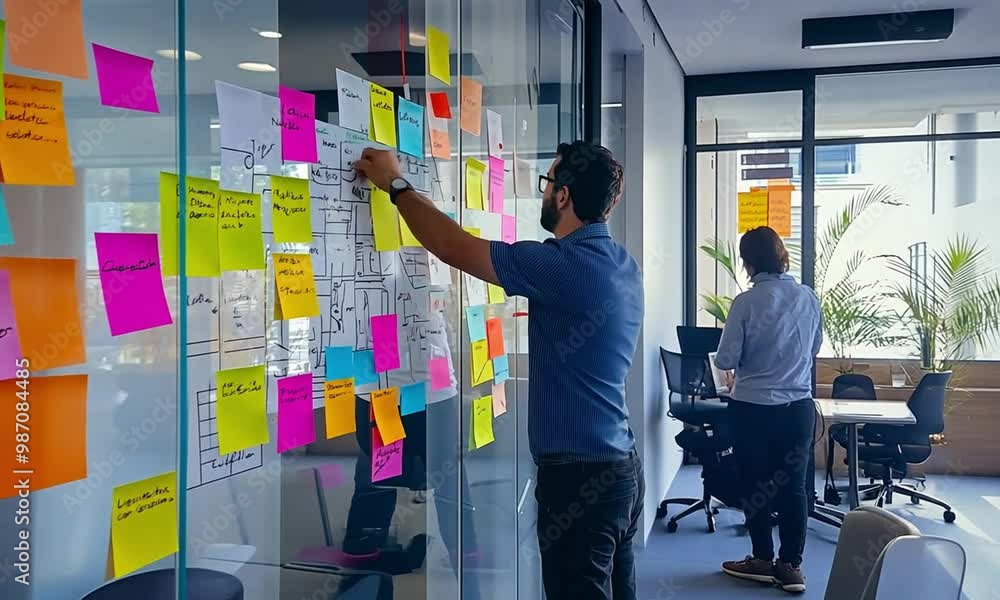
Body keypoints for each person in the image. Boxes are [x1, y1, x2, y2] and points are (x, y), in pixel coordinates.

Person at [355, 140, 645, 600]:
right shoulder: (622, 264)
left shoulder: (562, 265)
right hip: (621, 468)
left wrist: (395, 182)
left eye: (547, 183)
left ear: (564, 195)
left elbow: (452, 247)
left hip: (581, 480)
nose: (544, 194)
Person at [714, 226, 822, 594]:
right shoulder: (808, 297)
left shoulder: (746, 303)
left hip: (753, 408)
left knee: (755, 484)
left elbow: (727, 357)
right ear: (781, 256)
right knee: (793, 489)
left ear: (747, 262)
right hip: (797, 409)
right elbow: (814, 349)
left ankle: (761, 559)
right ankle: (791, 567)